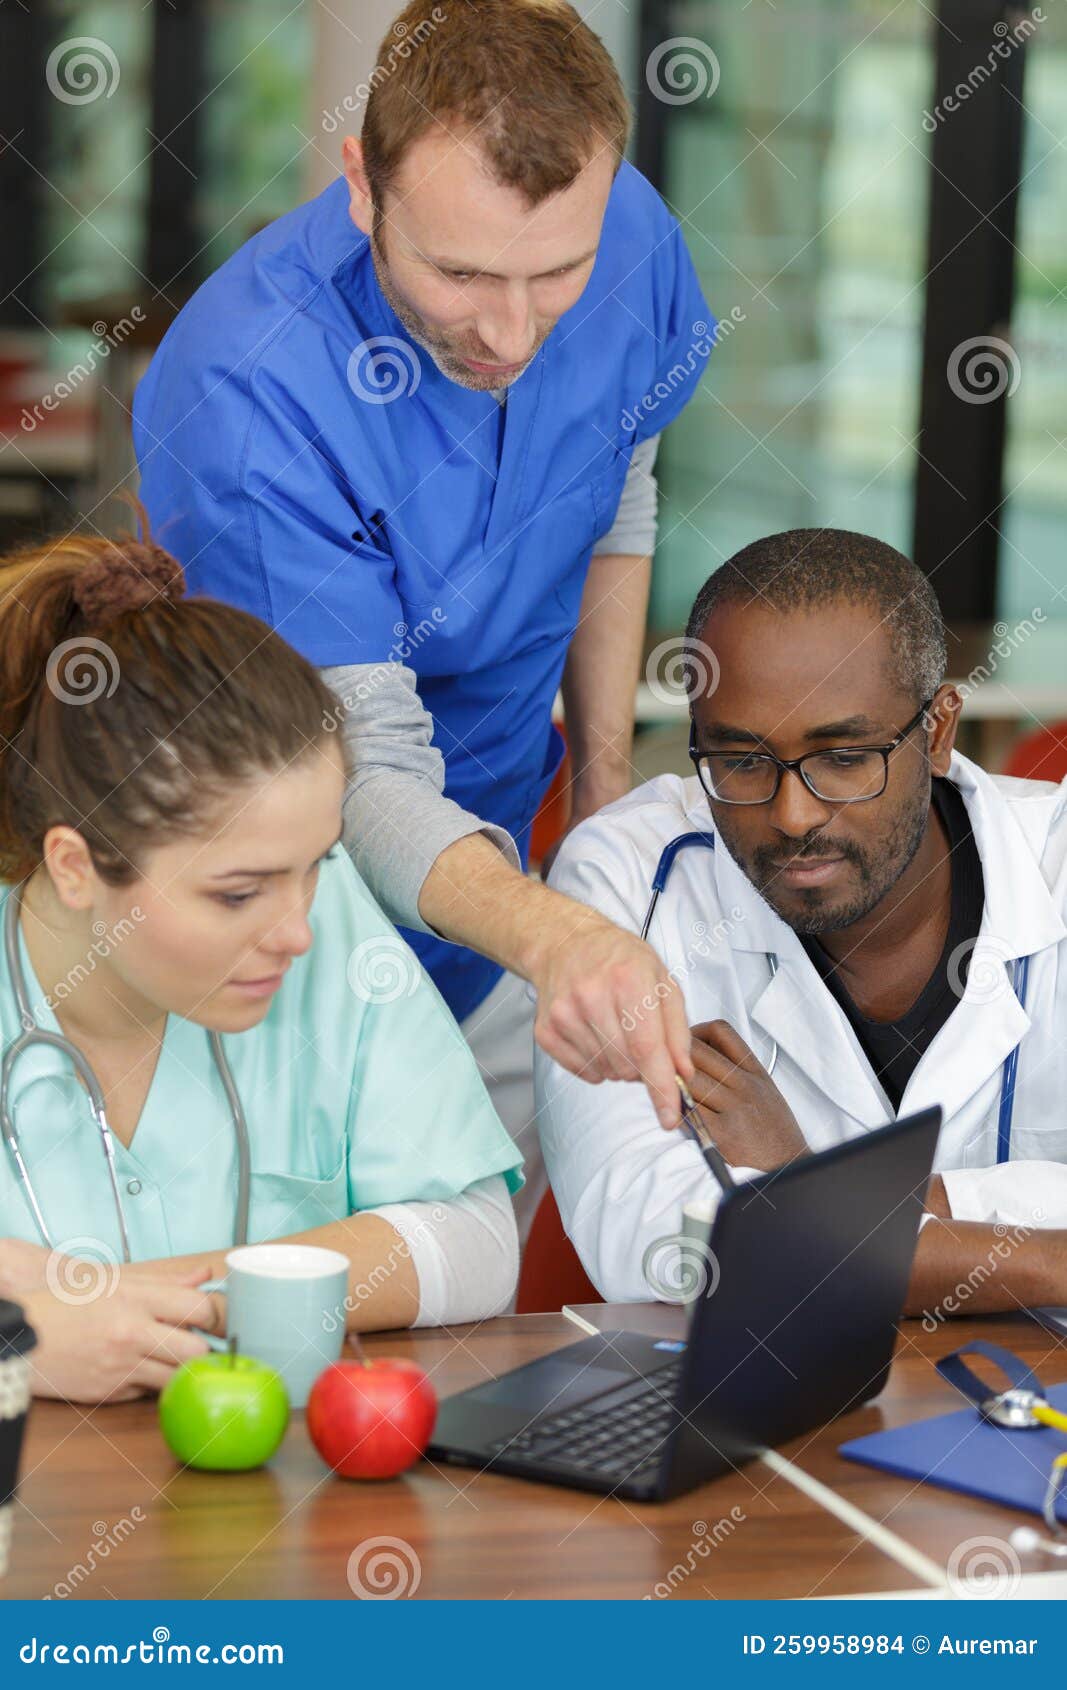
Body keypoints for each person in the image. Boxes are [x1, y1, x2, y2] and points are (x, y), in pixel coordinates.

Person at [131, 0, 715, 1238]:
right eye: (458, 275)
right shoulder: (248, 389)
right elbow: (360, 773)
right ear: (362, 184)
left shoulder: (622, 230)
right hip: (272, 944)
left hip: (496, 900)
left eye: (556, 277)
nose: (511, 332)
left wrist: (600, 788)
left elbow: (618, 479)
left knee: (474, 1292)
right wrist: (554, 934)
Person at [0, 519, 522, 1404]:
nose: (299, 932)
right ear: (75, 867)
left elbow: (473, 1241)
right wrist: (22, 1343)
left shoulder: (328, 921)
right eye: (237, 894)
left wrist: (157, 1301)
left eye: (315, 863)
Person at [535, 528, 1067, 1311]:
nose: (792, 815)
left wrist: (803, 1181)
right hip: (765, 1387)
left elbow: (748, 1232)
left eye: (842, 758)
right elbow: (651, 1239)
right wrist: (1046, 1264)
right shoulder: (624, 878)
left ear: (937, 731)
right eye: (741, 761)